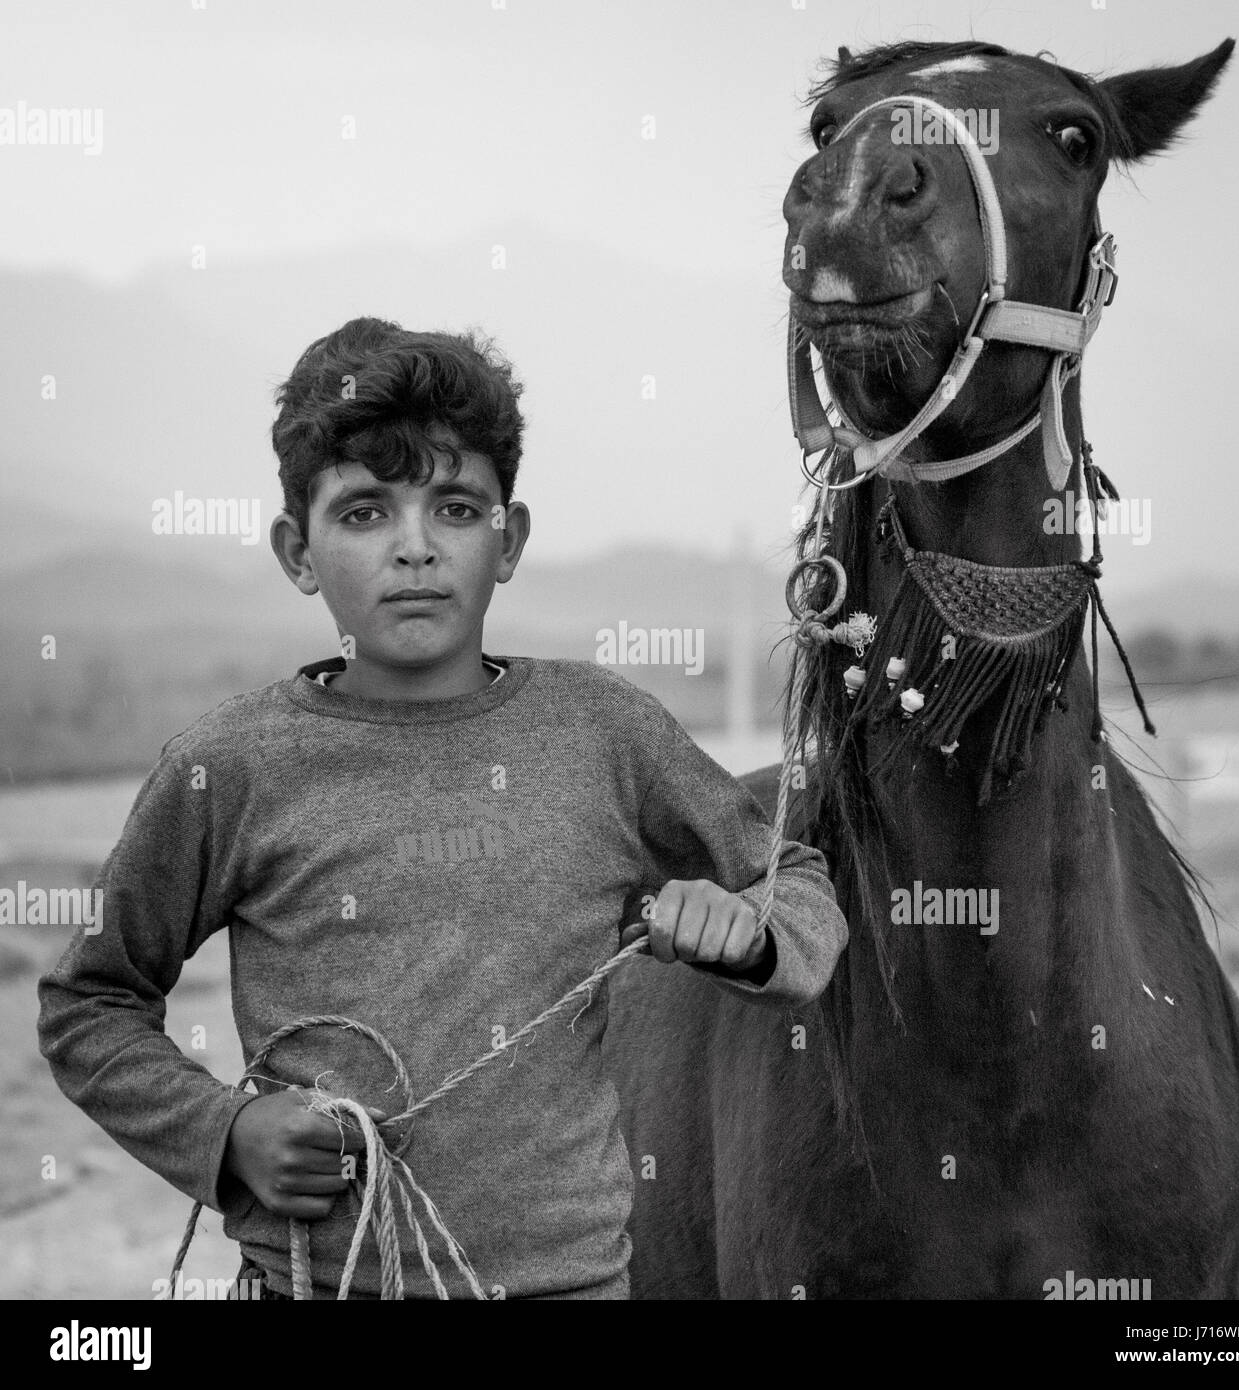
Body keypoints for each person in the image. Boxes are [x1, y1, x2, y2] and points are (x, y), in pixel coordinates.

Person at [37, 316, 849, 1300]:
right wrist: (228, 1133)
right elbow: (92, 1001)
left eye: (456, 509)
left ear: (507, 539)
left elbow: (795, 885)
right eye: (366, 513)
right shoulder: (230, 767)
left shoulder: (609, 734)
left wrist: (751, 934)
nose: (414, 548)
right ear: (299, 551)